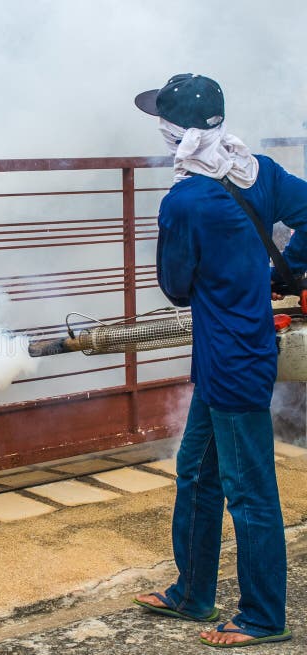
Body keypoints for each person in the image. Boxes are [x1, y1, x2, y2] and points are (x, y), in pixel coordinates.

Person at [132, 73, 307, 647]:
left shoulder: (185, 201)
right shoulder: (255, 171)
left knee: (250, 491)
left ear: (174, 129)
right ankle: (193, 594)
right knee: (197, 471)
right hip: (228, 355)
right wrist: (292, 271)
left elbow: (176, 288)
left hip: (231, 363)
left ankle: (262, 618)